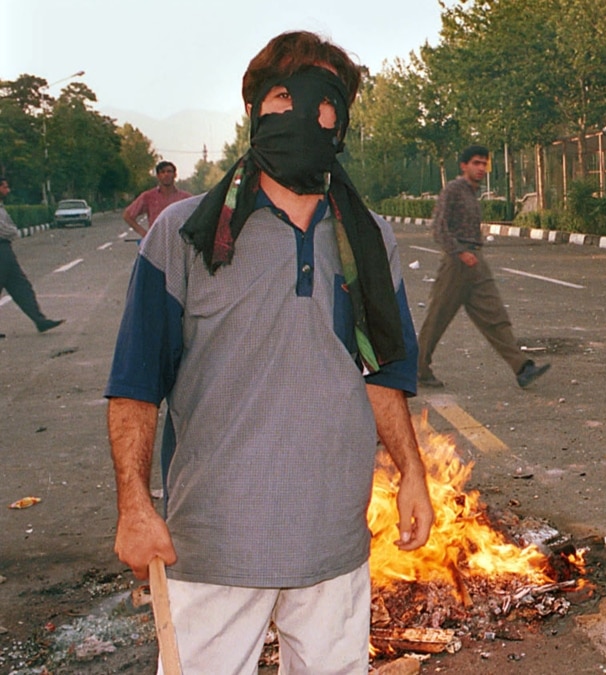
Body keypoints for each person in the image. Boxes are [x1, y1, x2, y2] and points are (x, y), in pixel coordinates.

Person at [105, 31, 435, 671]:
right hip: (214, 549)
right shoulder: (186, 234)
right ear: (255, 111)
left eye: (323, 99)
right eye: (282, 94)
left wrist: (412, 473)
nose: (302, 113)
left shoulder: (366, 239)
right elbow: (136, 384)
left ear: (340, 120)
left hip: (335, 548)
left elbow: (380, 372)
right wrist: (134, 504)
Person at [418, 145, 551, 388]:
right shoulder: (454, 190)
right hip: (457, 263)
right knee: (437, 317)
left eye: (484, 164)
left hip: (476, 262)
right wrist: (459, 252)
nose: (481, 168)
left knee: (495, 314)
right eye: (476, 163)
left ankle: (522, 367)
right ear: (464, 165)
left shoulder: (472, 193)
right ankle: (418, 369)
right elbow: (438, 227)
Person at [0, 178, 65, 338]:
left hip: (5, 250)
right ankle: (39, 320)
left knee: (21, 286)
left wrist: (12, 231)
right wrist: (13, 231)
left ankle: (39, 320)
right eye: (5, 187)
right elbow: (5, 230)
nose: (8, 190)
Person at [122, 161, 192, 237]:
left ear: (175, 175)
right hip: (156, 240)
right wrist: (144, 234)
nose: (166, 174)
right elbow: (127, 215)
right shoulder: (148, 196)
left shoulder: (185, 198)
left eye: (169, 171)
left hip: (178, 241)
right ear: (158, 176)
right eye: (162, 172)